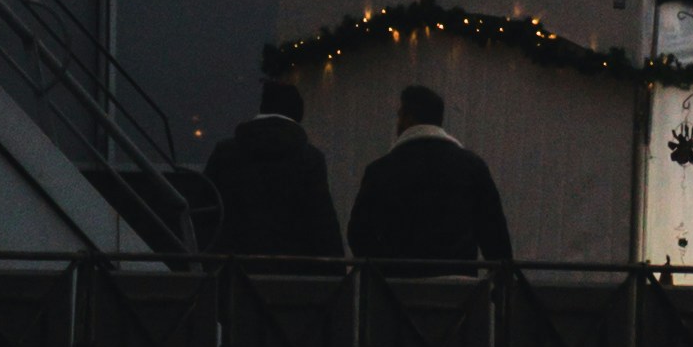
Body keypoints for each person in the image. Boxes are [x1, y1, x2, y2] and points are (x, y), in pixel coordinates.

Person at [346, 74, 516, 270]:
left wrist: (384, 267)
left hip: (395, 288)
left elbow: (359, 232)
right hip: (460, 289)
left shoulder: (380, 170)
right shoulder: (472, 166)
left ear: (408, 118)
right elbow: (494, 234)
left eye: (400, 115)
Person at [203, 51, 344, 258]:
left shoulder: (225, 152)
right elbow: (322, 224)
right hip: (291, 276)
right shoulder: (310, 160)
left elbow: (205, 210)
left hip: (231, 272)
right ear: (297, 116)